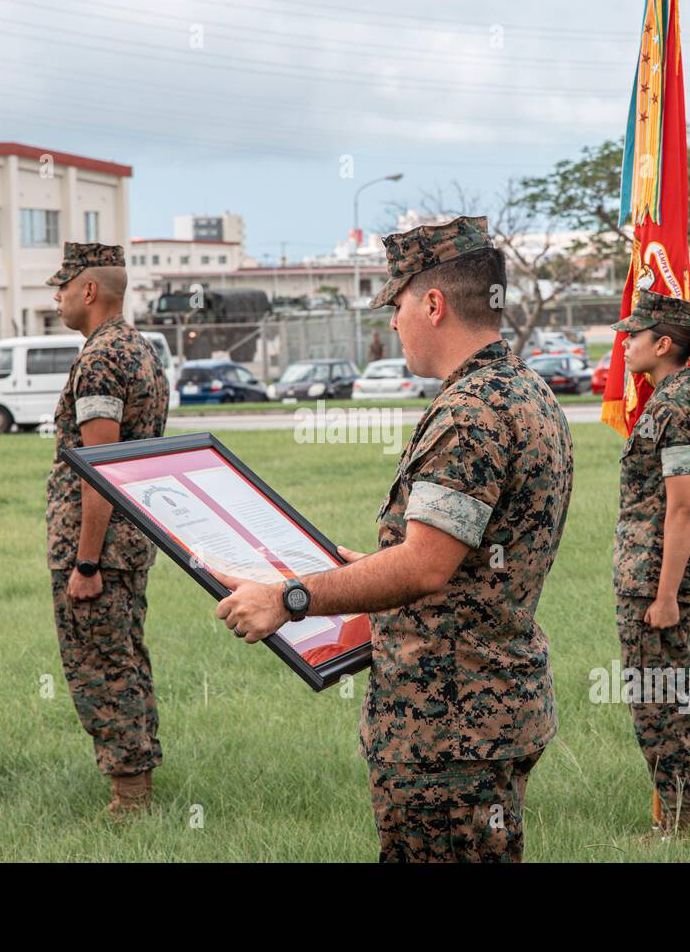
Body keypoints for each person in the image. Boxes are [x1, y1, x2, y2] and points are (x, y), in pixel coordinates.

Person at [210, 216, 572, 862]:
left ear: (433, 304)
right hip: (492, 705)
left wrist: (289, 598)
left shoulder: (471, 412)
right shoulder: (525, 391)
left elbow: (426, 567)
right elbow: (457, 560)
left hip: (447, 727)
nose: (393, 323)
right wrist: (375, 568)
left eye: (398, 305)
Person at [45, 241, 169, 815]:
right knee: (125, 658)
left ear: (89, 290)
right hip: (134, 541)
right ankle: (137, 779)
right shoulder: (142, 351)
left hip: (102, 549)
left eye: (64, 287)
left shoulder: (100, 359)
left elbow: (102, 470)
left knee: (102, 667)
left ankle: (129, 796)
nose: (59, 297)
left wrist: (86, 561)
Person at [610, 289, 690, 837]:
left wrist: (664, 596)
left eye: (633, 336)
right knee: (664, 695)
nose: (625, 344)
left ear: (662, 343)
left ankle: (679, 819)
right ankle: (680, 810)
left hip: (658, 580)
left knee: (658, 703)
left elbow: (684, 504)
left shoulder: (675, 405)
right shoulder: (689, 392)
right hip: (663, 574)